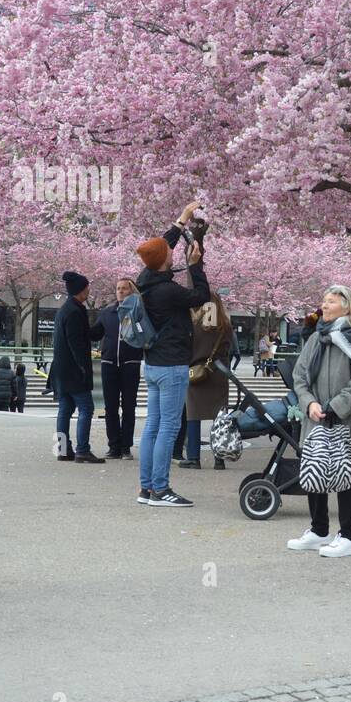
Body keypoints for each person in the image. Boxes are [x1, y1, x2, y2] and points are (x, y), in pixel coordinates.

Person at [287, 286, 351, 557]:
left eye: (331, 302)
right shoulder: (317, 339)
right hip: (316, 418)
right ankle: (318, 531)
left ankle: (347, 537)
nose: (324, 306)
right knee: (314, 470)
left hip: (348, 421)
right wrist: (309, 403)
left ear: (347, 308)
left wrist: (337, 406)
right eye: (323, 301)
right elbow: (300, 376)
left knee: (345, 475)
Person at [135, 202, 211, 507]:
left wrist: (180, 222)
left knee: (153, 425)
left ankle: (147, 488)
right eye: (168, 251)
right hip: (172, 365)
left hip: (153, 364)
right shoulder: (168, 292)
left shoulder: (146, 280)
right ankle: (161, 489)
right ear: (165, 261)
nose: (171, 250)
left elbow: (162, 246)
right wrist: (195, 266)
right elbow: (200, 297)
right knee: (168, 426)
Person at [49, 272, 104, 462]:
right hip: (74, 370)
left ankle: (63, 450)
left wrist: (100, 326)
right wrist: (83, 367)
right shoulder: (75, 311)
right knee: (86, 408)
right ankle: (82, 450)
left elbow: (84, 335)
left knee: (65, 409)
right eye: (87, 286)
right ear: (81, 289)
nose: (89, 289)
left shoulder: (65, 310)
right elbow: (77, 343)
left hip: (61, 370)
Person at [179, 288, 233, 471]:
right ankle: (219, 459)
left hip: (197, 373)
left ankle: (194, 458)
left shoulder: (194, 325)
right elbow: (228, 350)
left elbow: (187, 347)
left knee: (193, 416)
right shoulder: (225, 324)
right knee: (220, 418)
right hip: (218, 373)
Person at [91, 278, 143, 459]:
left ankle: (126, 446)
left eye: (124, 289)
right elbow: (95, 332)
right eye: (118, 288)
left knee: (129, 406)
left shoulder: (137, 311)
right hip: (109, 363)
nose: (120, 291)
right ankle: (113, 446)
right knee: (110, 407)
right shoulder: (107, 313)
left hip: (131, 363)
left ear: (131, 291)